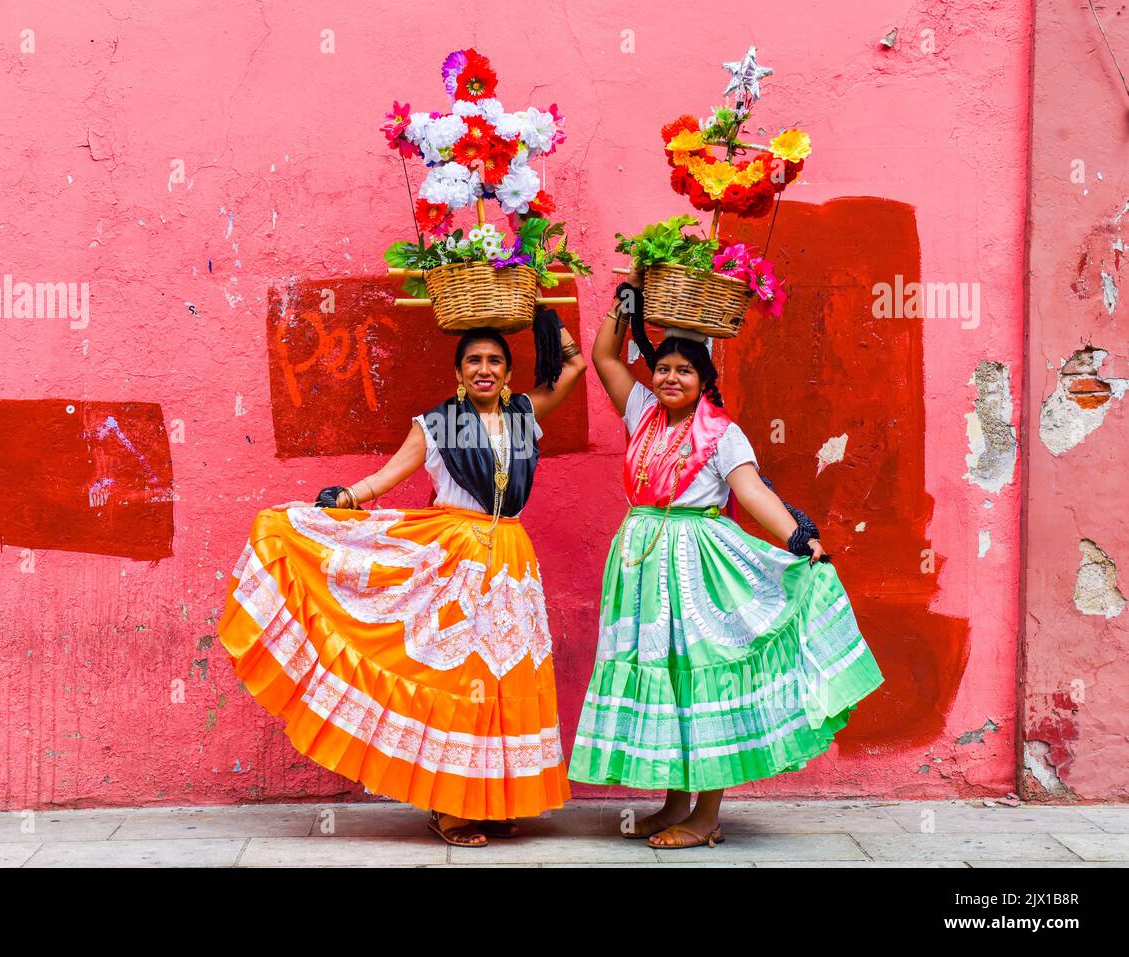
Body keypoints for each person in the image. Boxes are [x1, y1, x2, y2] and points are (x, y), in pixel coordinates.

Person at [217, 308, 585, 847]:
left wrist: (535, 309)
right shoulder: (436, 425)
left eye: (495, 361)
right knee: (457, 678)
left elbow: (573, 366)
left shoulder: (525, 414)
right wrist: (345, 499)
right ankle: (449, 808)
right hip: (455, 560)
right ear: (458, 373)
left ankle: (494, 800)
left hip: (511, 560)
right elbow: (389, 475)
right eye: (474, 361)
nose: (485, 369)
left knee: (508, 679)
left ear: (508, 372)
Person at [567, 270, 884, 849]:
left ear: (705, 380)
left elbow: (754, 492)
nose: (669, 377)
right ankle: (673, 805)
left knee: (701, 676)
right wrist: (627, 298)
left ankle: (706, 817)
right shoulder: (642, 414)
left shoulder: (722, 434)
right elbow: (605, 355)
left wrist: (798, 537)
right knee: (664, 676)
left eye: (684, 370)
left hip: (697, 570)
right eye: (662, 368)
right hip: (639, 568)